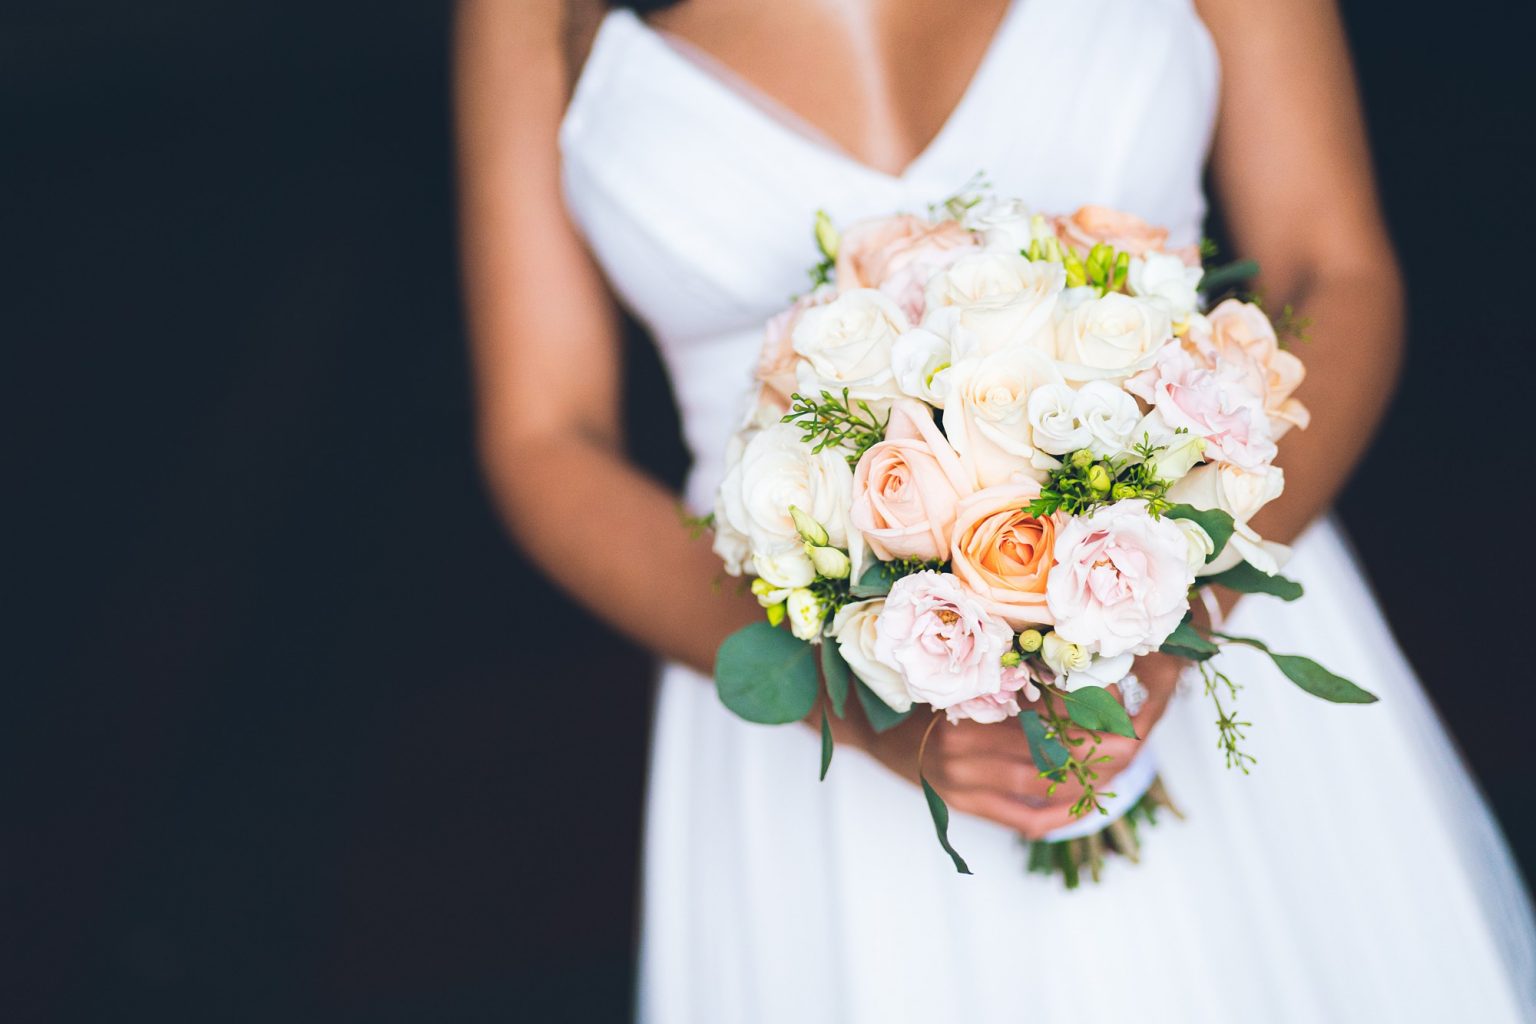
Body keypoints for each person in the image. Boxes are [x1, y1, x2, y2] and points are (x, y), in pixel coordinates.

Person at [455, 0, 1536, 1019]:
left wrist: (1167, 606)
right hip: (807, 729)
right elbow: (544, 438)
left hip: (1221, 627)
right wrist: (863, 707)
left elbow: (1330, 264)